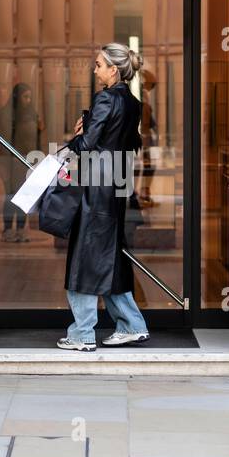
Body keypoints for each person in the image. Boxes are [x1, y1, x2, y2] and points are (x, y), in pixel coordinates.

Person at [57, 43, 150, 350]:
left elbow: (90, 144)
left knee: (84, 259)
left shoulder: (106, 98)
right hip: (116, 187)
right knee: (109, 257)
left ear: (113, 69)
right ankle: (132, 325)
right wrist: (89, 119)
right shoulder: (133, 102)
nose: (94, 69)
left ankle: (82, 334)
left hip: (96, 188)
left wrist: (72, 142)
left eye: (98, 65)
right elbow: (127, 138)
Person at [0, 82, 42, 242]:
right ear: (16, 97)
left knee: (24, 196)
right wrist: (1, 165)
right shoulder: (6, 115)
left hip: (27, 162)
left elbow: (37, 140)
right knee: (10, 196)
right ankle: (8, 230)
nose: (28, 100)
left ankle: (21, 230)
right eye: (25, 97)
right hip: (9, 163)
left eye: (30, 97)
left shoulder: (32, 114)